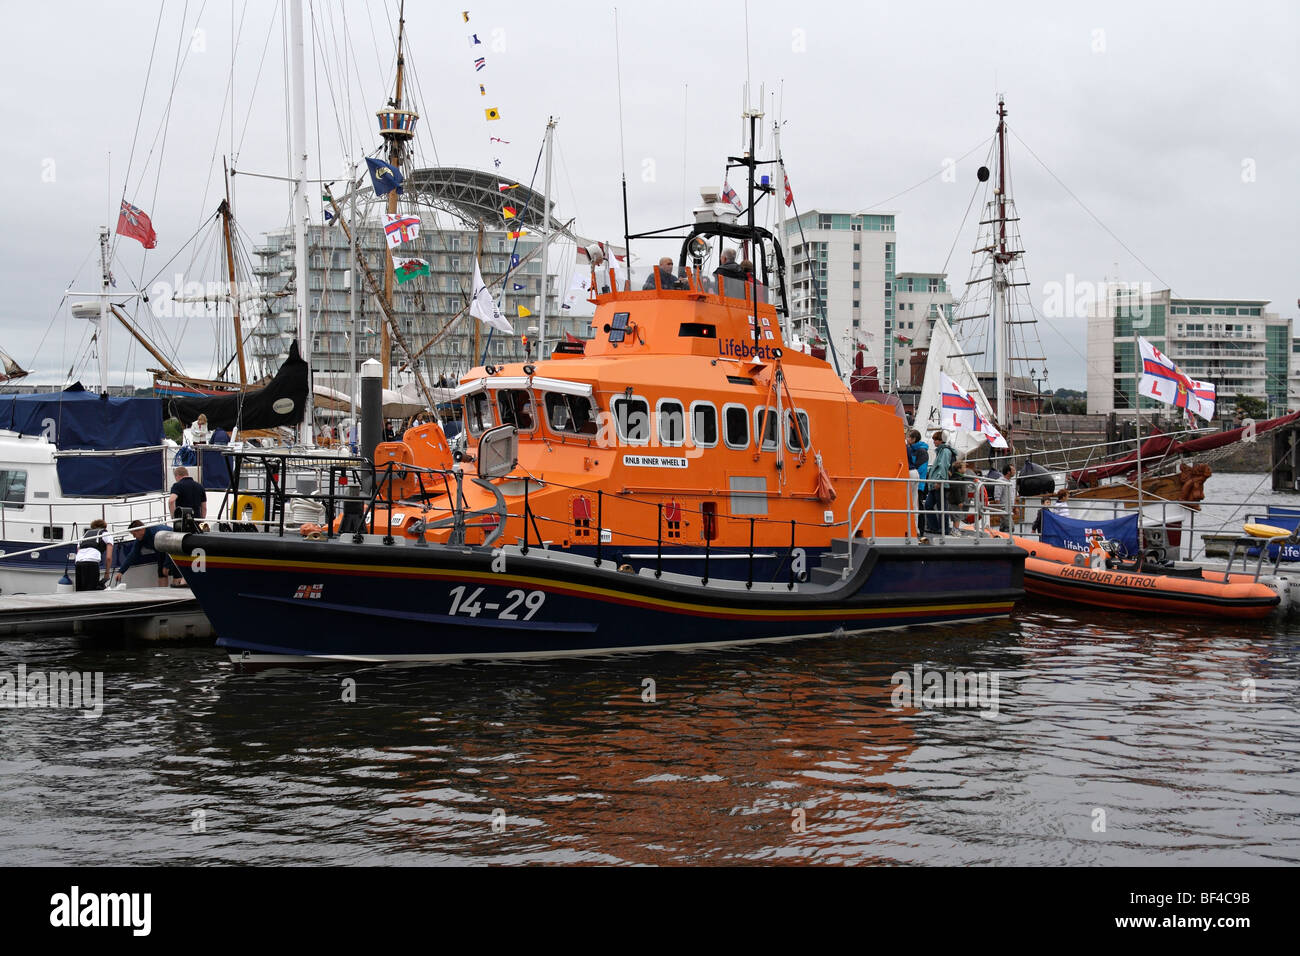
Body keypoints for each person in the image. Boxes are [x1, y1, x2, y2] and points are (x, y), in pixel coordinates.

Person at [115, 520, 175, 588]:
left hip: (174, 545)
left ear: (141, 530)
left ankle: (178, 590)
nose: (134, 537)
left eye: (134, 534)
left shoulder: (155, 533)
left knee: (173, 572)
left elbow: (169, 547)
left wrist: (167, 565)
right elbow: (132, 555)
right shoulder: (140, 539)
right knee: (161, 572)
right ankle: (164, 593)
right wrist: (121, 571)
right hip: (161, 550)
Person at [924, 430, 956, 535]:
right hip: (935, 485)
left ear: (941, 440)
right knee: (928, 505)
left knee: (942, 507)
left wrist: (939, 481)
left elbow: (943, 466)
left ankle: (944, 529)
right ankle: (936, 527)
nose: (934, 442)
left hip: (939, 484)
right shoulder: (941, 451)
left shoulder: (945, 451)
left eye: (936, 440)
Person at [74, 518, 113, 591]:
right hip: (91, 563)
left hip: (78, 563)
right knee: (91, 592)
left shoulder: (83, 537)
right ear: (104, 527)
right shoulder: (106, 535)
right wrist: (107, 573)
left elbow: (78, 552)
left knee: (80, 591)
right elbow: (108, 557)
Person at [905, 429, 929, 521]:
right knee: (915, 503)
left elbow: (921, 468)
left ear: (914, 439)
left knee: (917, 504)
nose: (907, 439)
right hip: (915, 478)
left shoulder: (921, 451)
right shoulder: (911, 449)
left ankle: (920, 529)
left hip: (918, 482)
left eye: (908, 437)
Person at [997, 463, 1017, 532]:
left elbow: (1012, 495)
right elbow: (997, 498)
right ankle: (1007, 541)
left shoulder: (1011, 482)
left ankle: (1001, 540)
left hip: (1010, 508)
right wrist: (1000, 511)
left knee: (1004, 527)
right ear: (1008, 472)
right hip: (1004, 509)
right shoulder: (1000, 482)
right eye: (1013, 470)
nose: (1015, 471)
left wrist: (1014, 507)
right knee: (1010, 527)